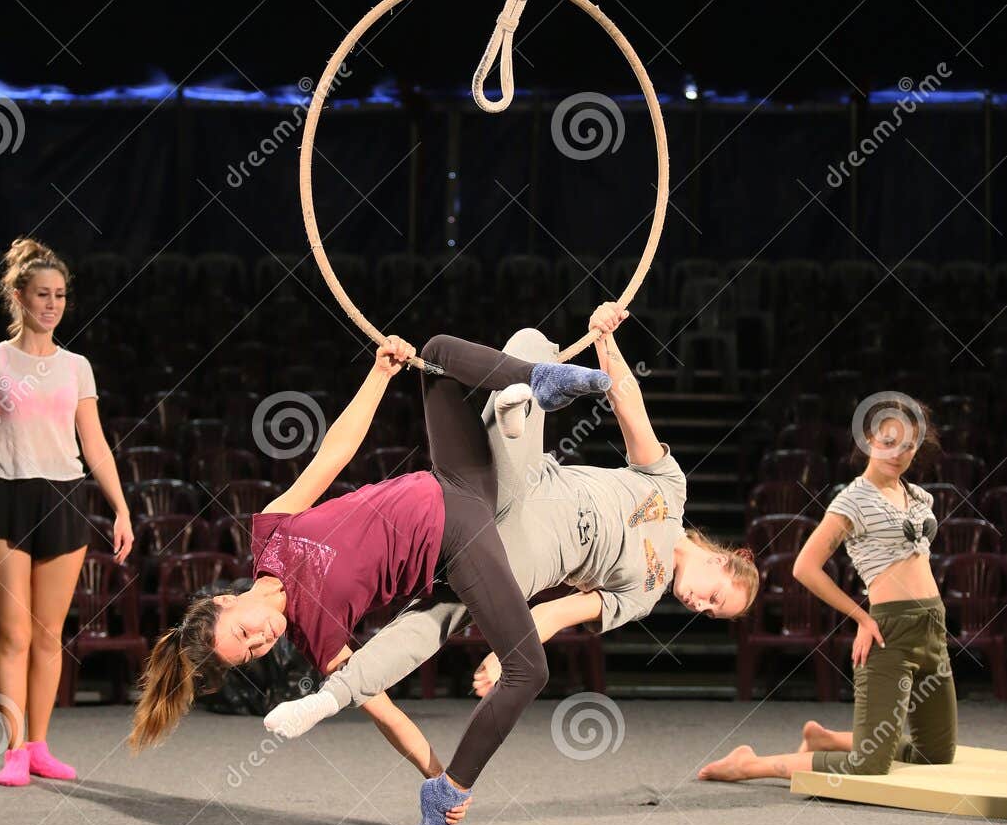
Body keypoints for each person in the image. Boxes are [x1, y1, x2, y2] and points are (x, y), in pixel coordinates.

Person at [127, 331, 614, 825]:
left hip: (453, 481)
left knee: (437, 354)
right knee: (528, 669)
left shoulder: (270, 534)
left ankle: (539, 379)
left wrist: (379, 374)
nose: (262, 640)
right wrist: (436, 771)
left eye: (244, 633)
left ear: (225, 600)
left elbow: (333, 454)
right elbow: (386, 713)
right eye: (252, 653)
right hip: (458, 542)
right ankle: (451, 789)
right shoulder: (319, 639)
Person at [263, 305, 758, 748]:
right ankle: (512, 408)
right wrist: (606, 340)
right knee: (532, 341)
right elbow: (631, 409)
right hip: (522, 481)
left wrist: (507, 650)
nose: (700, 607)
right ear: (721, 561)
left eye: (709, 614)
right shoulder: (671, 488)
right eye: (715, 598)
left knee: (438, 619)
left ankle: (328, 698)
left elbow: (556, 613)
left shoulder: (645, 596)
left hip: (524, 555)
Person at [0, 237, 134, 787]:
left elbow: (95, 443)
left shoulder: (77, 366)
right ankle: (12, 750)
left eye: (59, 295)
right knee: (13, 636)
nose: (52, 304)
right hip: (4, 496)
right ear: (18, 296)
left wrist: (121, 508)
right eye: (42, 294)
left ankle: (39, 746)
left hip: (64, 499)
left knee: (50, 635)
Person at [699, 394, 956, 785]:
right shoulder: (853, 500)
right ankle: (749, 764)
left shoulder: (919, 496)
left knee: (936, 754)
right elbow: (804, 567)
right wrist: (862, 618)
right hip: (889, 632)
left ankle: (828, 739)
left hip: (933, 628)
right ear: (869, 440)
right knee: (867, 766)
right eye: (888, 442)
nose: (897, 453)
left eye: (908, 445)